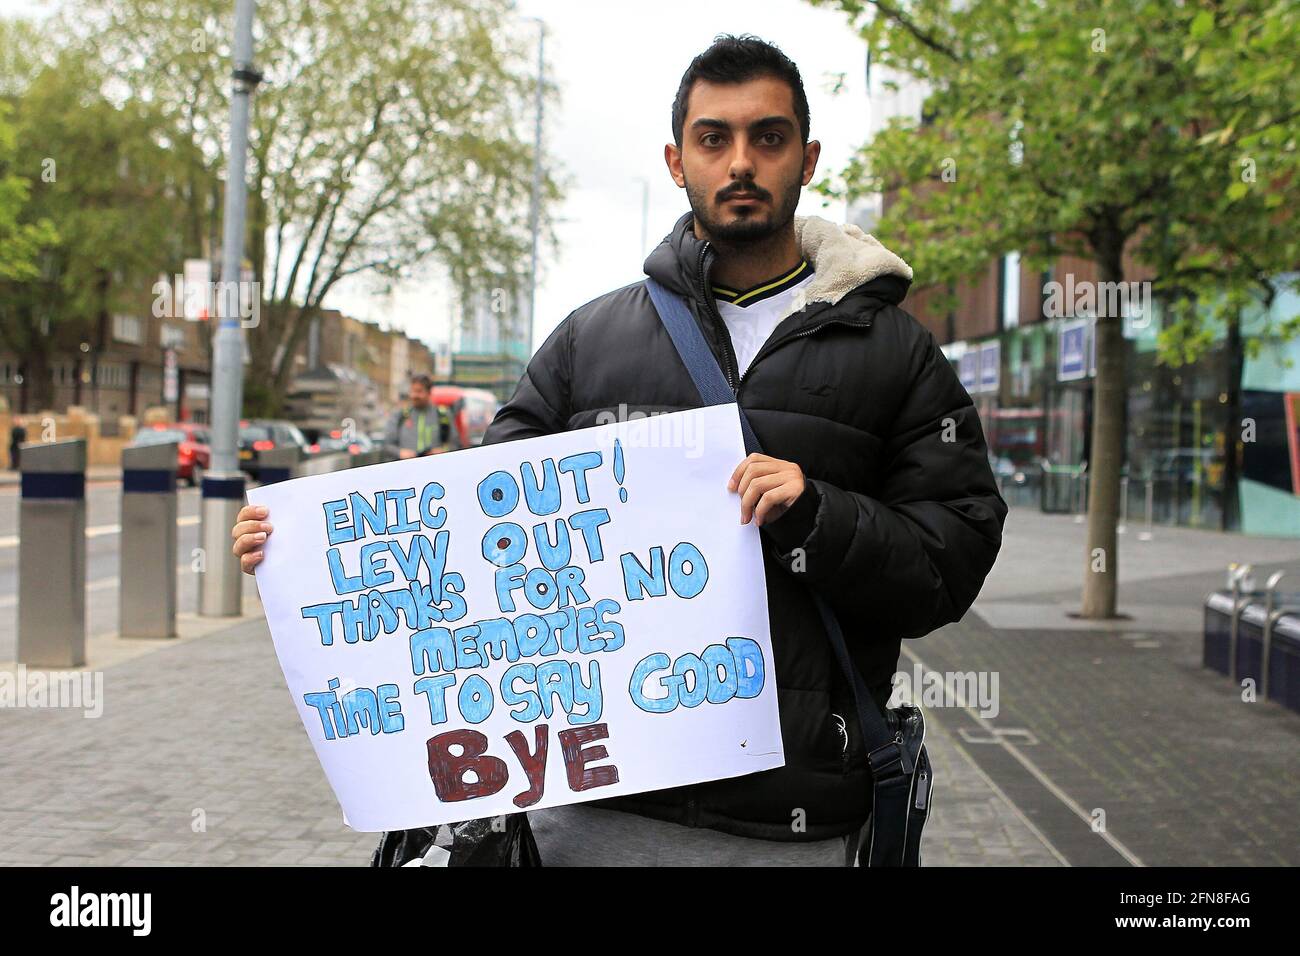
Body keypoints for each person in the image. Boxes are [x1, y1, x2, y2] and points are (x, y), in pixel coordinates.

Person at [233, 34, 1007, 866]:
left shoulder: (896, 352)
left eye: (768, 137)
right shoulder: (587, 341)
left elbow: (949, 562)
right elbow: (480, 549)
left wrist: (817, 515)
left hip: (794, 823)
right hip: (591, 816)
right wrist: (305, 552)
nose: (740, 162)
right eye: (714, 139)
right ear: (678, 161)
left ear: (808, 158)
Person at [382, 373, 451, 459]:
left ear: (429, 392)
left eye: (419, 391)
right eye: (412, 391)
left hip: (434, 469)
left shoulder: (442, 415)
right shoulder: (399, 415)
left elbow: (456, 444)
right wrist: (400, 453)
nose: (414, 395)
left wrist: (443, 451)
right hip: (406, 469)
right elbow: (387, 445)